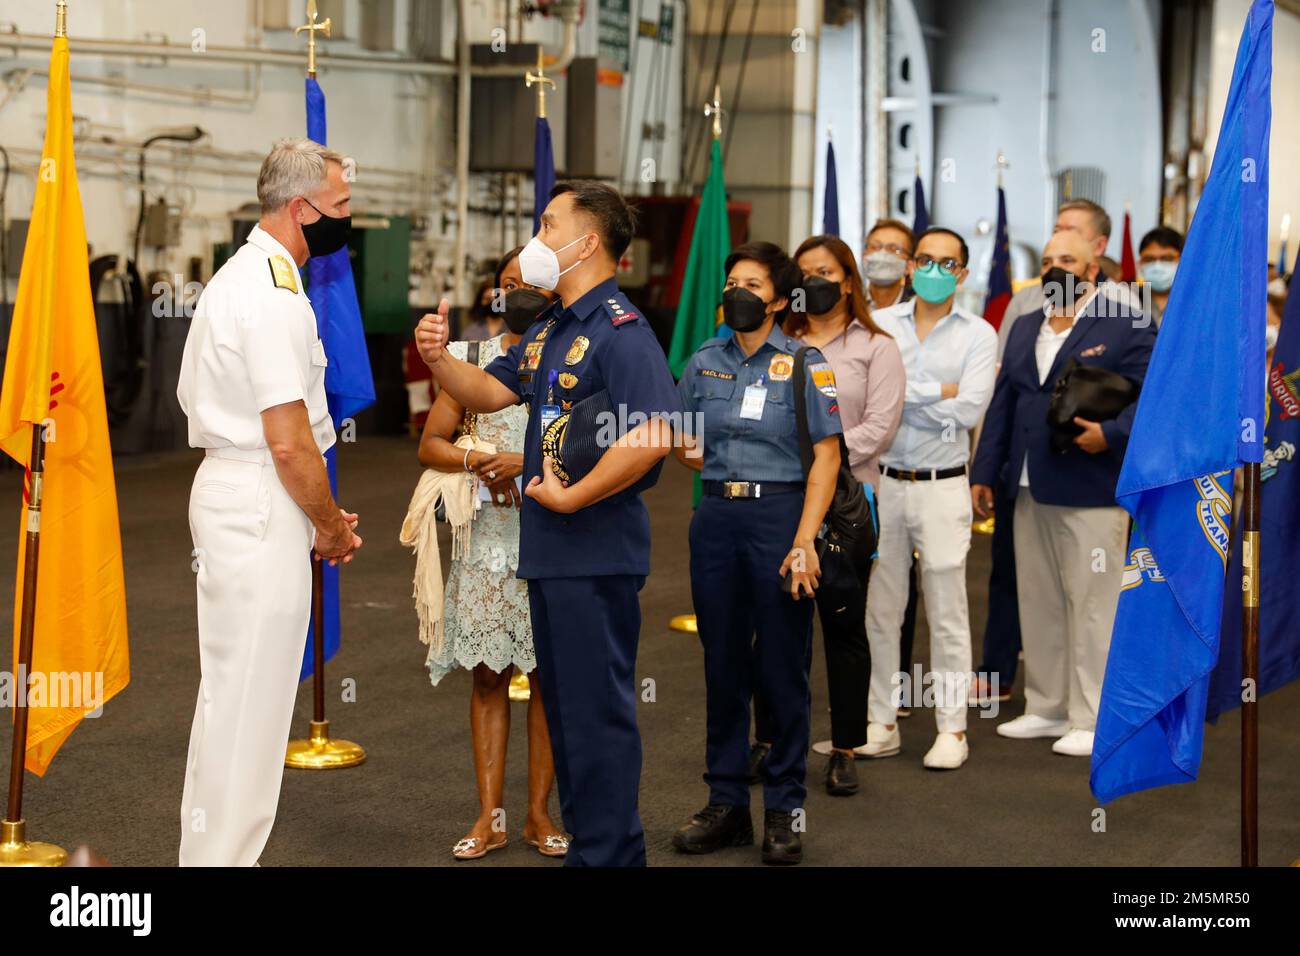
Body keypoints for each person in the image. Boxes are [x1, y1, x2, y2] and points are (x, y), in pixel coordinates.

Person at [414, 180, 681, 867]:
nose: (537, 238)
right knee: (567, 721)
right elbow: (490, 390)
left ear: (586, 243)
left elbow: (655, 433)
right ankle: (594, 851)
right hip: (553, 557)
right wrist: (440, 358)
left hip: (594, 555)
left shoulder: (620, 329)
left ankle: (614, 857)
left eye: (549, 224)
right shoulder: (552, 326)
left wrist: (573, 496)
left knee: (597, 723)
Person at [176, 137, 363, 866]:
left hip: (248, 489)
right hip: (261, 492)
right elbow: (290, 442)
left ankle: (211, 857)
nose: (349, 218)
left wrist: (315, 517)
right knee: (249, 706)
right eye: (341, 206)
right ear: (300, 207)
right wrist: (328, 526)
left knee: (236, 697)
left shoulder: (245, 276)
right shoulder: (274, 295)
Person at [670, 241, 841, 865]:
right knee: (722, 666)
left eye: (752, 283)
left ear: (778, 298)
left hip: (781, 518)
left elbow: (827, 456)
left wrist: (804, 541)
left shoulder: (804, 362)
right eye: (731, 281)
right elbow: (682, 442)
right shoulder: (702, 360)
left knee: (781, 671)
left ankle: (785, 811)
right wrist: (699, 457)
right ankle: (726, 805)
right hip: (715, 516)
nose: (738, 292)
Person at [971, 228, 1156, 757]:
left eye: (1068, 260)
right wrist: (984, 472)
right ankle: (1047, 707)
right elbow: (1003, 403)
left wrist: (1112, 434)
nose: (1056, 268)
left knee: (1093, 603)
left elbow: (1153, 397)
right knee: (1039, 598)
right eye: (1049, 259)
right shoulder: (1027, 322)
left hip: (1091, 486)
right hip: (1028, 484)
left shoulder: (1128, 324)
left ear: (1093, 268)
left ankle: (1093, 714)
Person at [416, 247, 566, 860]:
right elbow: (430, 444)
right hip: (486, 541)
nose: (515, 295)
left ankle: (537, 813)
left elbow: (592, 450)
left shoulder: (570, 364)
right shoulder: (469, 361)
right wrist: (478, 459)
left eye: (529, 285)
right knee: (486, 678)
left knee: (547, 680)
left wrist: (526, 464)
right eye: (506, 284)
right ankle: (490, 815)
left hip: (551, 535)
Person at [863, 226, 998, 770]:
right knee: (881, 610)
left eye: (948, 262)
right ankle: (882, 721)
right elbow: (872, 400)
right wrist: (937, 390)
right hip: (886, 483)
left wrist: (903, 396)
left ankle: (952, 729)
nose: (935, 270)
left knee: (947, 612)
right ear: (911, 266)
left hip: (945, 485)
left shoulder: (980, 334)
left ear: (962, 273)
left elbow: (967, 412)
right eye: (925, 260)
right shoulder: (880, 325)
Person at [784, 234, 904, 795]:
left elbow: (879, 429)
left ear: (849, 281)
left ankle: (846, 746)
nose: (815, 281)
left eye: (826, 271)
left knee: (844, 628)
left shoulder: (876, 347)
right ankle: (773, 741)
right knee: (779, 629)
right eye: (804, 272)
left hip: (849, 507)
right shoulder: (780, 344)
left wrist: (816, 458)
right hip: (782, 499)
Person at [1136, 226, 1184, 327]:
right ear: (1140, 263)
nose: (1157, 265)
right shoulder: (1128, 300)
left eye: (1167, 258)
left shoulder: (1195, 301)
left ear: (1183, 259)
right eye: (1149, 259)